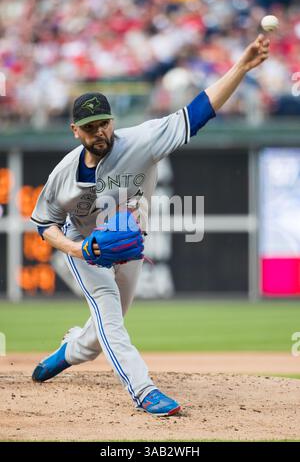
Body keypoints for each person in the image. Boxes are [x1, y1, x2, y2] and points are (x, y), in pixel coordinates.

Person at [30, 35, 269, 416]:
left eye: (103, 123)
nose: (99, 133)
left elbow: (198, 112)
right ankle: (144, 391)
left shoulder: (141, 141)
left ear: (112, 121)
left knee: (98, 338)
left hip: (128, 245)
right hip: (86, 245)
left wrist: (240, 66)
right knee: (109, 314)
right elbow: (44, 224)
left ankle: (70, 350)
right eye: (90, 127)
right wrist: (78, 250)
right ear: (75, 130)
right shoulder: (63, 176)